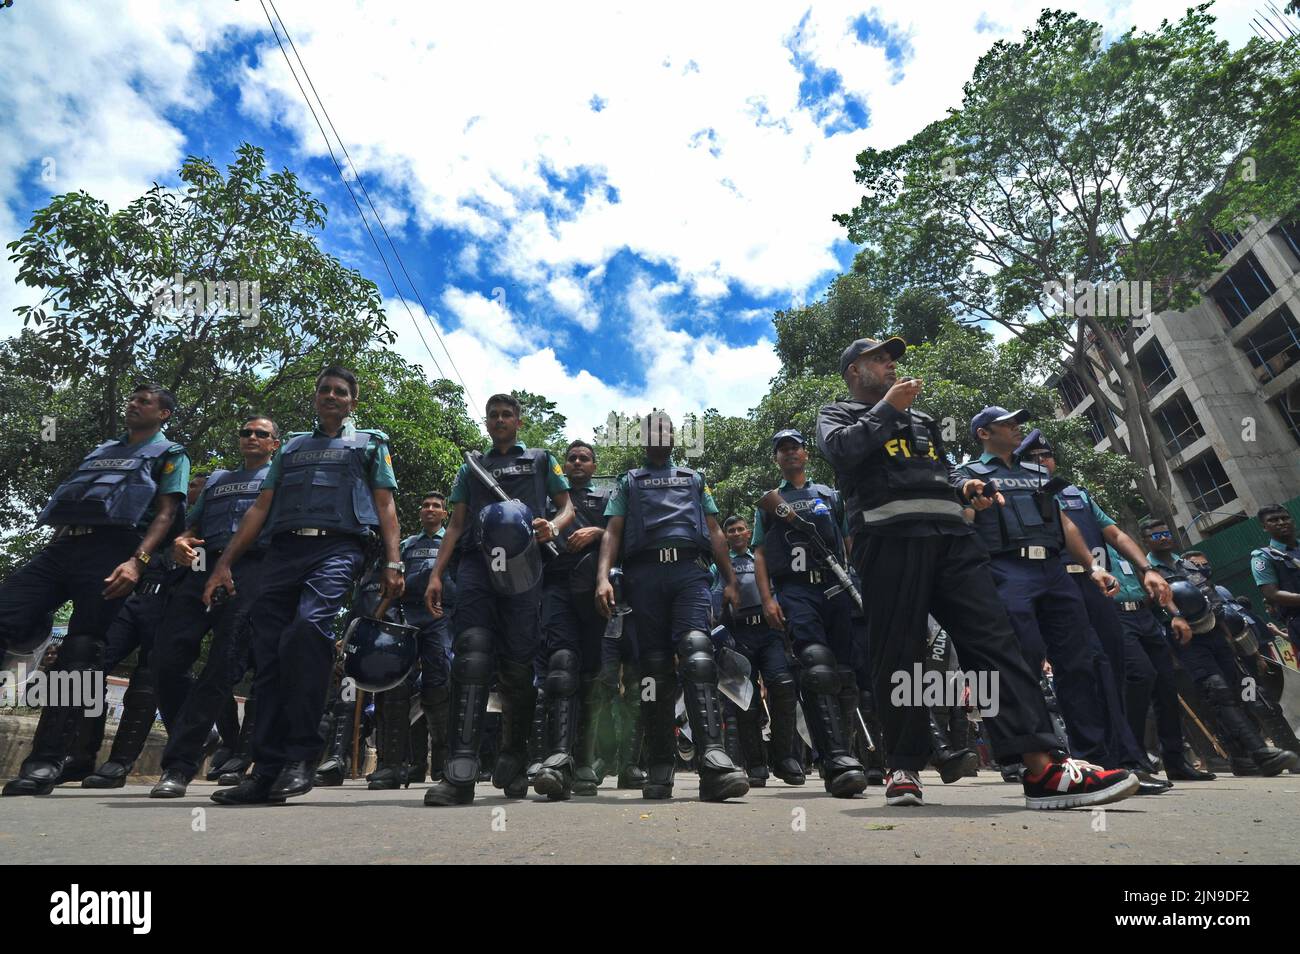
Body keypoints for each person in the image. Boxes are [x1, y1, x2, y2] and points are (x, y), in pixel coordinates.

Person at [816, 336, 1137, 809]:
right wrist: (886, 407)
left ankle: (1042, 769)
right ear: (854, 373)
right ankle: (903, 768)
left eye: (892, 359)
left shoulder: (922, 420)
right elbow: (843, 453)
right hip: (888, 542)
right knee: (899, 655)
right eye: (878, 359)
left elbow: (941, 469)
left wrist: (965, 484)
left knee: (995, 643)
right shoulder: (838, 413)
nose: (889, 365)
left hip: (953, 541)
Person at [202, 366, 405, 805]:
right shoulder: (290, 447)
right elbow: (260, 508)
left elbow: (386, 506)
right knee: (270, 656)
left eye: (341, 392)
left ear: (353, 401)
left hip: (338, 549)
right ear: (315, 397)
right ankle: (266, 770)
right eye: (325, 390)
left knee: (307, 628)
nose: (331, 396)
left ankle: (301, 756)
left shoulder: (370, 444)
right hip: (283, 553)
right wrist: (224, 563)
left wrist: (394, 561)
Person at [1, 383, 189, 797]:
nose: (134, 403)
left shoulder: (171, 454)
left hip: (115, 549)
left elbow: (166, 513)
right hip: (65, 547)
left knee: (82, 650)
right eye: (132, 397)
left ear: (164, 415)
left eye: (145, 401)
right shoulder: (103, 449)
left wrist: (136, 562)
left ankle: (44, 763)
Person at [956, 408, 1133, 776]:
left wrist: (1093, 566)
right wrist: (971, 504)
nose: (1016, 427)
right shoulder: (969, 473)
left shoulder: (1037, 472)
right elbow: (963, 525)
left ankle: (1094, 760)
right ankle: (1036, 759)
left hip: (1054, 571)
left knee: (1077, 662)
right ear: (984, 434)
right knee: (1021, 663)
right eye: (1007, 423)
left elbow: (1064, 522)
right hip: (1005, 571)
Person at [423, 394, 573, 806]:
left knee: (517, 667)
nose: (501, 420)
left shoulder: (543, 460)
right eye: (494, 415)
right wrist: (436, 574)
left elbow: (567, 507)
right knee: (471, 655)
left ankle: (514, 751)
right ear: (487, 423)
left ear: (519, 422)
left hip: (525, 568)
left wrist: (553, 527)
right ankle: (460, 772)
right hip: (476, 565)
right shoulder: (471, 467)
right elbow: (455, 525)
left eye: (508, 414)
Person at [594, 411, 750, 802]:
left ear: (674, 437)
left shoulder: (694, 480)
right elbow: (613, 530)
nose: (658, 434)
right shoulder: (628, 481)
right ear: (642, 439)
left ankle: (714, 759)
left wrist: (730, 580)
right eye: (651, 429)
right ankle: (660, 765)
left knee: (698, 655)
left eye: (665, 428)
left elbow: (713, 530)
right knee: (653, 672)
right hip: (644, 578)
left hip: (688, 573)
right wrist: (602, 577)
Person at [1013, 429, 1174, 792]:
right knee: (1086, 669)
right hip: (1056, 588)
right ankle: (1100, 761)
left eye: (1047, 455)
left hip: (1098, 588)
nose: (1043, 462)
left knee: (1116, 670)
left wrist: (1148, 569)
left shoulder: (1077, 493)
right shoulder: (1019, 494)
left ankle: (1128, 760)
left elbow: (1115, 534)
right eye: (1033, 457)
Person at [149, 419, 280, 798]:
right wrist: (181, 543)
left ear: (275, 444)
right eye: (246, 432)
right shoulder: (220, 478)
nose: (252, 438)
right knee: (165, 660)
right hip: (203, 564)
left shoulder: (280, 479)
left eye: (261, 434)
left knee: (223, 663)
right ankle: (199, 735)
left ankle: (179, 766)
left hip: (251, 567)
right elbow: (193, 526)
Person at [1143, 519, 1299, 776]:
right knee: (1217, 692)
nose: (1161, 538)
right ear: (1145, 541)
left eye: (1164, 533)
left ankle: (1244, 758)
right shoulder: (1147, 572)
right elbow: (1151, 611)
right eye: (1154, 535)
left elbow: (1211, 596)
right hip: (1184, 641)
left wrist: (1228, 636)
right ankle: (1258, 752)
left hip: (1215, 632)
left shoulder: (1187, 564)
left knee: (1240, 691)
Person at [752, 429, 861, 793]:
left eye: (795, 448)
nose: (789, 454)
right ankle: (834, 757)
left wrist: (858, 580)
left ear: (806, 454)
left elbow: (848, 541)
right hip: (795, 590)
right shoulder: (770, 503)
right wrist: (768, 599)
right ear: (776, 459)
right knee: (815, 665)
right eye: (782, 450)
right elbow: (761, 555)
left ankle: (848, 755)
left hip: (836, 586)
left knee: (844, 673)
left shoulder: (829, 495)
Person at [533, 440, 618, 799]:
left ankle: (585, 760)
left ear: (594, 465)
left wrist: (598, 533)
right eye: (572, 458)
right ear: (563, 466)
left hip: (593, 593)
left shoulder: (606, 501)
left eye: (585, 458)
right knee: (561, 665)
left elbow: (623, 538)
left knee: (591, 676)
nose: (578, 462)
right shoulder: (550, 500)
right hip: (555, 589)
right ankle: (557, 758)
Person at [367, 491, 456, 790]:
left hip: (441, 619)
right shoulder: (405, 547)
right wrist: (376, 618)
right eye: (426, 504)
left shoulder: (452, 544)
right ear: (420, 512)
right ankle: (392, 766)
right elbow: (391, 588)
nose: (430, 509)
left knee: (439, 686)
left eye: (437, 506)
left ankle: (446, 765)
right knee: (395, 688)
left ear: (445, 513)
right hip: (406, 619)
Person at [713, 513, 801, 787]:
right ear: (726, 537)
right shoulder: (720, 567)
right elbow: (714, 606)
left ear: (749, 533)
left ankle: (783, 758)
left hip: (770, 633)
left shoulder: (764, 561)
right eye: (732, 531)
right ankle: (756, 765)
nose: (737, 534)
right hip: (739, 637)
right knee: (745, 703)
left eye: (741, 529)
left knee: (783, 686)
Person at [1251, 505, 1300, 656]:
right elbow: (1272, 594)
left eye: (1284, 518)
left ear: (1293, 521)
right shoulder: (1263, 557)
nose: (1281, 522)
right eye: (1273, 520)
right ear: (1264, 527)